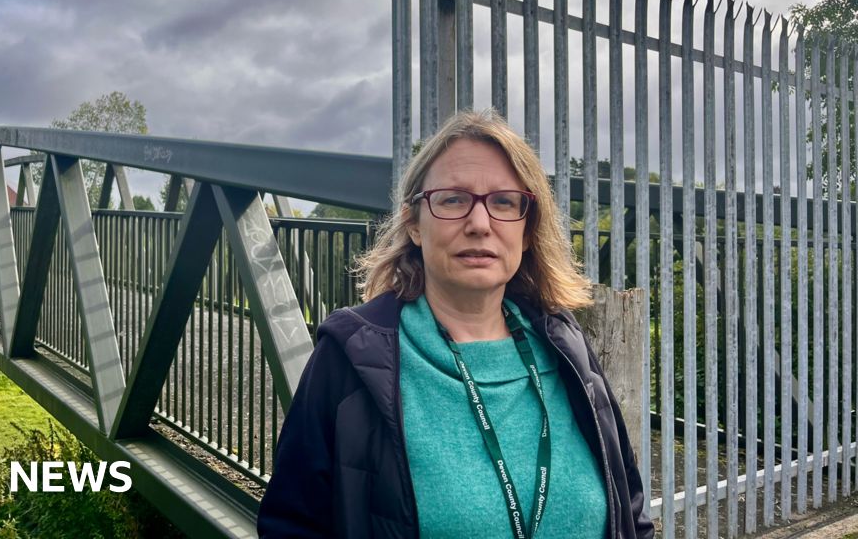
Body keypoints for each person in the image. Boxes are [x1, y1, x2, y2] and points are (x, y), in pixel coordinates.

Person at [257, 109, 654, 539]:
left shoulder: (565, 346)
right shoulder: (348, 357)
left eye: (504, 202)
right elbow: (292, 526)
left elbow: (630, 512)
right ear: (413, 223)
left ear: (526, 229)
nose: (480, 224)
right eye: (452, 200)